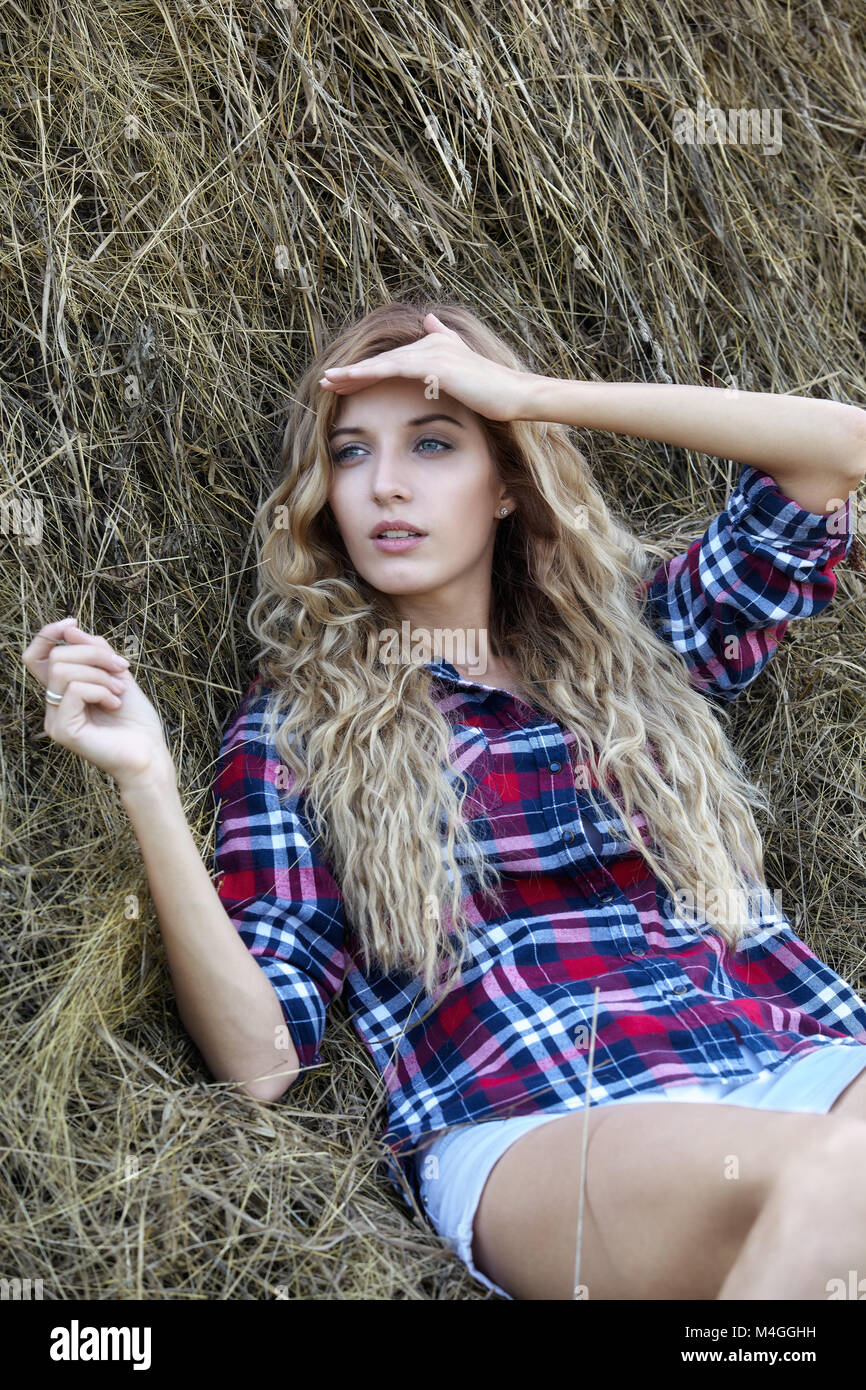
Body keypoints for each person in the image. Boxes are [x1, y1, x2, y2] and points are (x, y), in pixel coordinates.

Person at [23, 301, 866, 1302]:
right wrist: (147, 783)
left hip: (796, 1059)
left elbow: (835, 451)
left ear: (506, 482)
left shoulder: (648, 645)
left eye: (432, 442)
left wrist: (525, 397)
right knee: (836, 1187)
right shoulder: (300, 727)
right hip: (552, 1115)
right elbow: (260, 1060)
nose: (386, 484)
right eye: (349, 454)